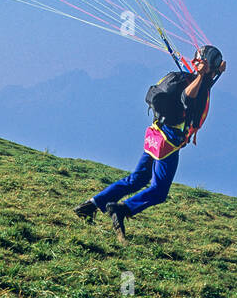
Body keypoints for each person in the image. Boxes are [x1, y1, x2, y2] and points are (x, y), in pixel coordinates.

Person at [75, 45, 226, 241]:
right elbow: (188, 97)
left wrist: (214, 72)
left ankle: (91, 205)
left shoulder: (191, 79)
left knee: (137, 179)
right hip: (168, 142)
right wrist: (202, 75)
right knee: (159, 191)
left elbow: (206, 84)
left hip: (156, 134)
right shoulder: (193, 84)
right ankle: (121, 209)